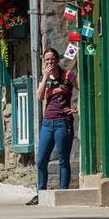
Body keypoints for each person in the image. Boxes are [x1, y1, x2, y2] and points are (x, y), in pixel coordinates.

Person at [28, 48, 76, 205]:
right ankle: (40, 192)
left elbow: (82, 88)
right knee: (41, 159)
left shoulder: (67, 75)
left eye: (52, 59)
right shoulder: (45, 78)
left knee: (63, 160)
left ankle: (64, 192)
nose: (49, 62)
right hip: (48, 123)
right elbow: (39, 96)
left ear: (57, 59)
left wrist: (76, 108)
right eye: (46, 59)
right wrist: (45, 78)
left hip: (63, 122)